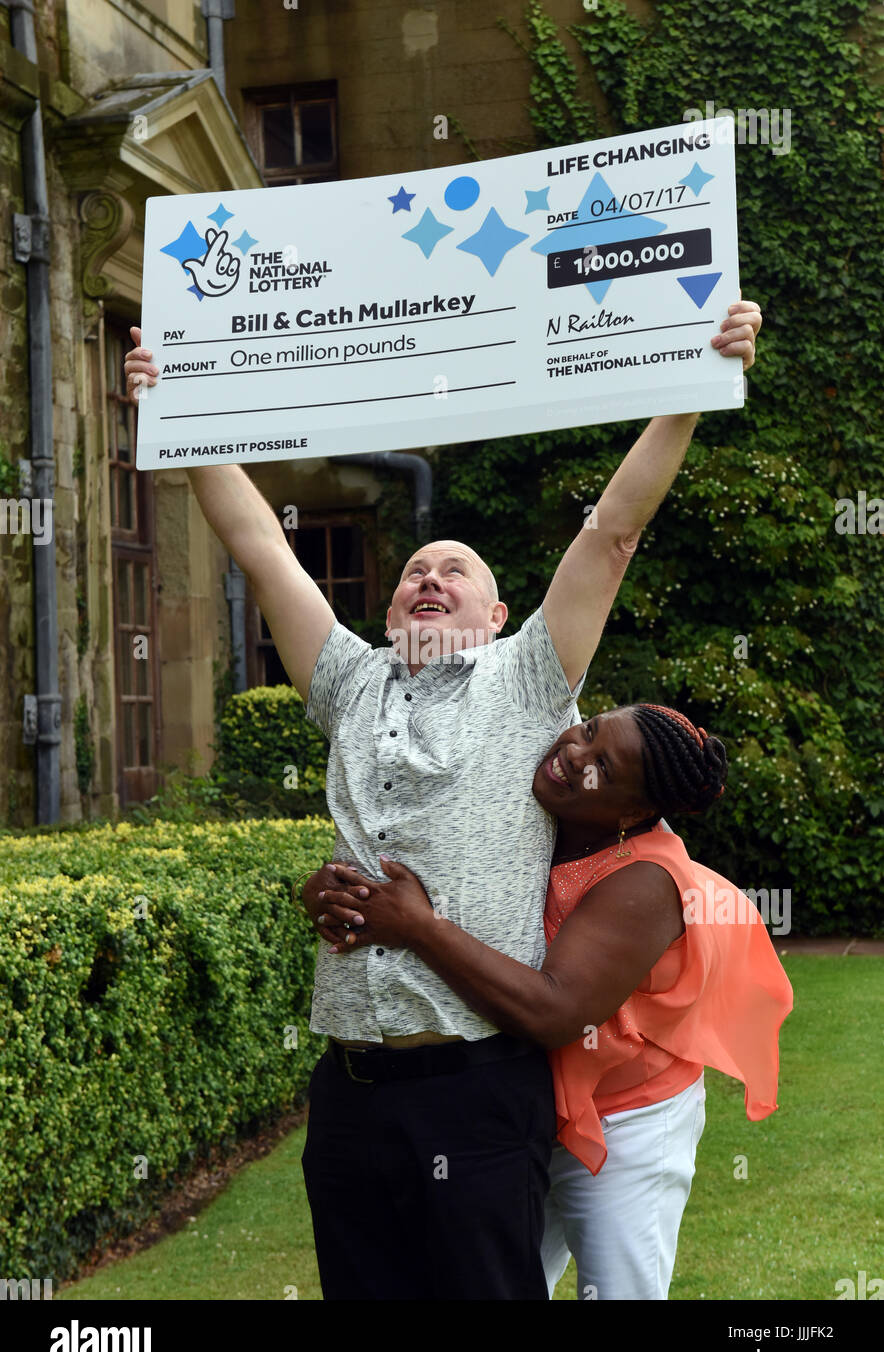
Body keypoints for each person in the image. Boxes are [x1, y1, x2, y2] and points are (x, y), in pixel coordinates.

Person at [125, 299, 762, 1300]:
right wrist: (172, 409)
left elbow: (612, 531)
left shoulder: (527, 681)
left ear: (498, 614)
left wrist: (691, 384)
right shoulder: (344, 677)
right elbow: (257, 544)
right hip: (347, 1089)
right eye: (416, 570)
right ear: (386, 609)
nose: (430, 577)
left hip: (472, 1089)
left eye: (455, 572)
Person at [307, 702, 793, 1300]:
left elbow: (555, 1012)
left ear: (636, 811)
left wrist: (421, 926)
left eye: (602, 768)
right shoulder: (549, 801)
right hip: (531, 1104)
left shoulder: (646, 881)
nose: (574, 754)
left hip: (626, 1120)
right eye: (588, 730)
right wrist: (336, 893)